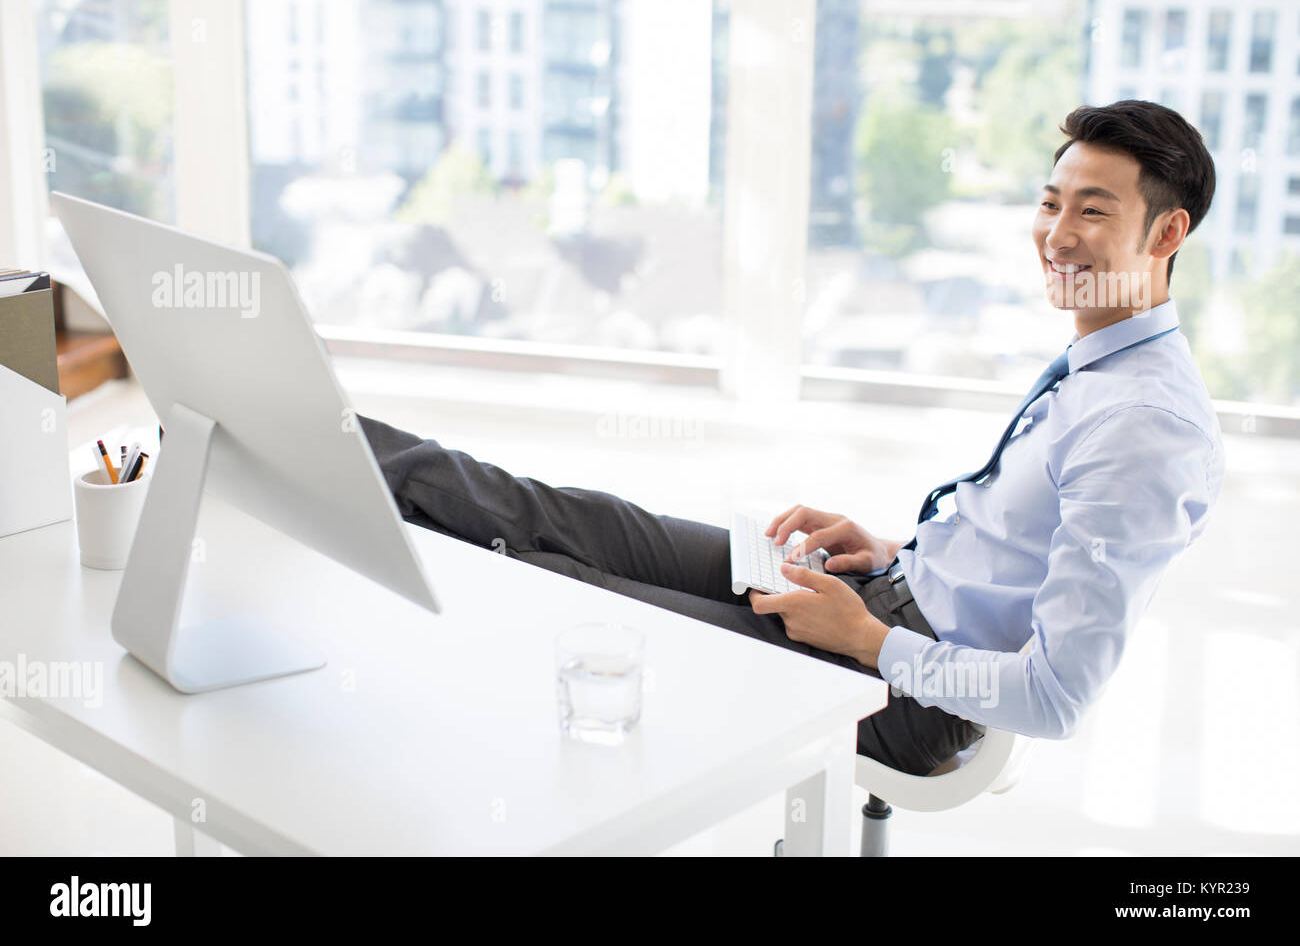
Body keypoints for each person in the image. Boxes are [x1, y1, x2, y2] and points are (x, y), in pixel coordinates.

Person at [358, 100, 1224, 776]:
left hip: (899, 691)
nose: (1058, 234)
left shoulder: (1146, 426)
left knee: (566, 582)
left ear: (1167, 232)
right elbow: (1021, 552)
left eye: (1094, 211)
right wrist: (895, 553)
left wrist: (868, 640)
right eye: (1050, 202)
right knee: (573, 516)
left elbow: (1058, 695)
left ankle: (345, 515)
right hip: (887, 598)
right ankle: (335, 436)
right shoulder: (1105, 366)